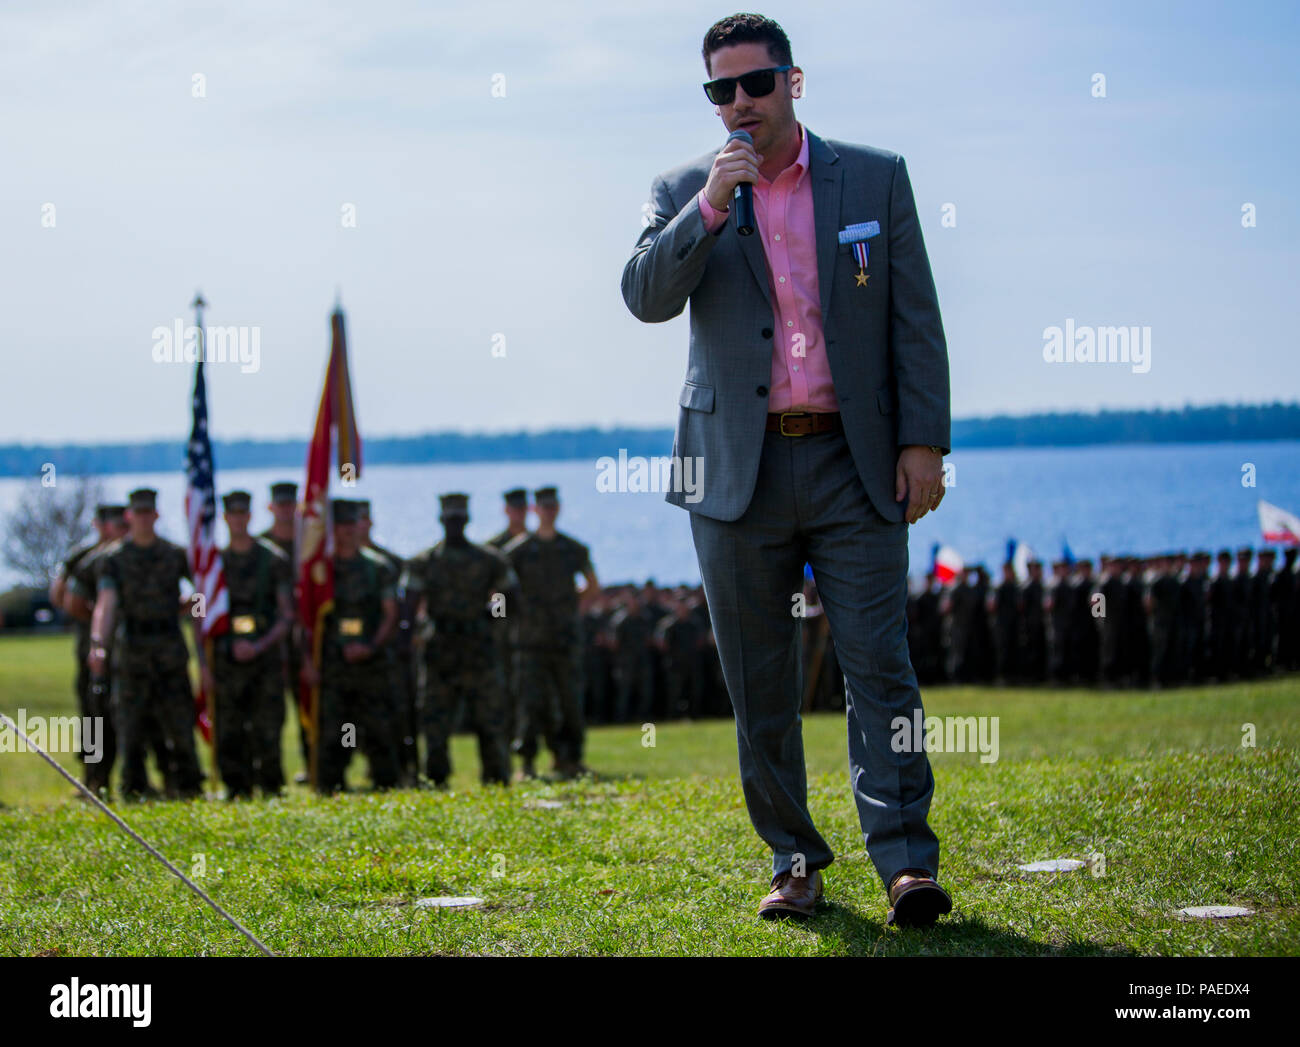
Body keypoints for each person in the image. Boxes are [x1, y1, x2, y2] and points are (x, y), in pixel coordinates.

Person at [621, 14, 952, 925]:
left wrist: (924, 441)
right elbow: (645, 297)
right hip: (736, 469)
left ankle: (906, 863)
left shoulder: (875, 177)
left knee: (880, 666)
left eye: (756, 84)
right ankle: (794, 861)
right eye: (720, 90)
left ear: (793, 82)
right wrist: (709, 207)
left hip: (855, 459)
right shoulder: (684, 189)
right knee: (758, 681)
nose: (740, 104)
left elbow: (915, 319)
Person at [87, 488, 206, 799]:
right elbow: (106, 604)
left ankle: (188, 784)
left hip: (169, 646)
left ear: (156, 515)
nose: (143, 519)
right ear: (129, 517)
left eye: (147, 513)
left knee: (180, 720)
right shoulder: (114, 559)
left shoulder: (174, 554)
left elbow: (200, 593)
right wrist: (98, 643)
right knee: (130, 723)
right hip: (132, 649)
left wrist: (196, 615)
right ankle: (134, 786)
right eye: (137, 513)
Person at [403, 493, 516, 786]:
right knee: (434, 719)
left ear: (467, 520)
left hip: (479, 647)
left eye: (458, 519)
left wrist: (490, 616)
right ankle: (436, 777)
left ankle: (496, 776)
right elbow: (410, 605)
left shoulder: (490, 560)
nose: (454, 525)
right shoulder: (424, 562)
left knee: (489, 716)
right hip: (440, 648)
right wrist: (410, 636)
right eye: (450, 519)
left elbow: (508, 597)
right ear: (441, 521)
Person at [302, 499, 401, 793]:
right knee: (337, 730)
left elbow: (390, 614)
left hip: (371, 665)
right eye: (341, 525)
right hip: (334, 667)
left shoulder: (378, 568)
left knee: (378, 730)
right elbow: (306, 620)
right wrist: (308, 661)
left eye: (351, 524)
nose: (347, 531)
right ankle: (332, 786)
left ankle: (385, 785)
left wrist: (371, 646)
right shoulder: (321, 573)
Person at [503, 486, 599, 780]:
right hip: (529, 640)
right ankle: (526, 763)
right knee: (530, 702)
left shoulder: (573, 548)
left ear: (558, 509)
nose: (548, 512)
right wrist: (507, 618)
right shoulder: (518, 550)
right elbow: (500, 592)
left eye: (552, 506)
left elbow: (593, 586)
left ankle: (570, 759)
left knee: (570, 700)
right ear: (535, 510)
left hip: (564, 638)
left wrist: (570, 608)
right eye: (543, 507)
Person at [212, 490, 294, 798]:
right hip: (226, 658)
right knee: (229, 726)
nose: (238, 520)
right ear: (225, 518)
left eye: (242, 514)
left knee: (268, 725)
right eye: (232, 514)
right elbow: (200, 612)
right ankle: (236, 787)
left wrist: (260, 646)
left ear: (250, 515)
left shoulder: (273, 560)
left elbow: (286, 615)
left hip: (265, 658)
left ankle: (271, 786)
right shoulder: (214, 564)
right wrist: (205, 663)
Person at [357, 499, 417, 782]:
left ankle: (402, 769)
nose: (357, 527)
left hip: (387, 653)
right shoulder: (334, 564)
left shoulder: (390, 563)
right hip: (347, 655)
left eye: (362, 520)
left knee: (394, 713)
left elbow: (407, 608)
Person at [488, 488, 530, 746]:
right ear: (506, 511)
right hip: (504, 627)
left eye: (522, 509)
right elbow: (490, 591)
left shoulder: (537, 544)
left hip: (534, 625)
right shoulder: (494, 548)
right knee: (503, 684)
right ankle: (505, 736)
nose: (519, 514)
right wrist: (500, 617)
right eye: (515, 509)